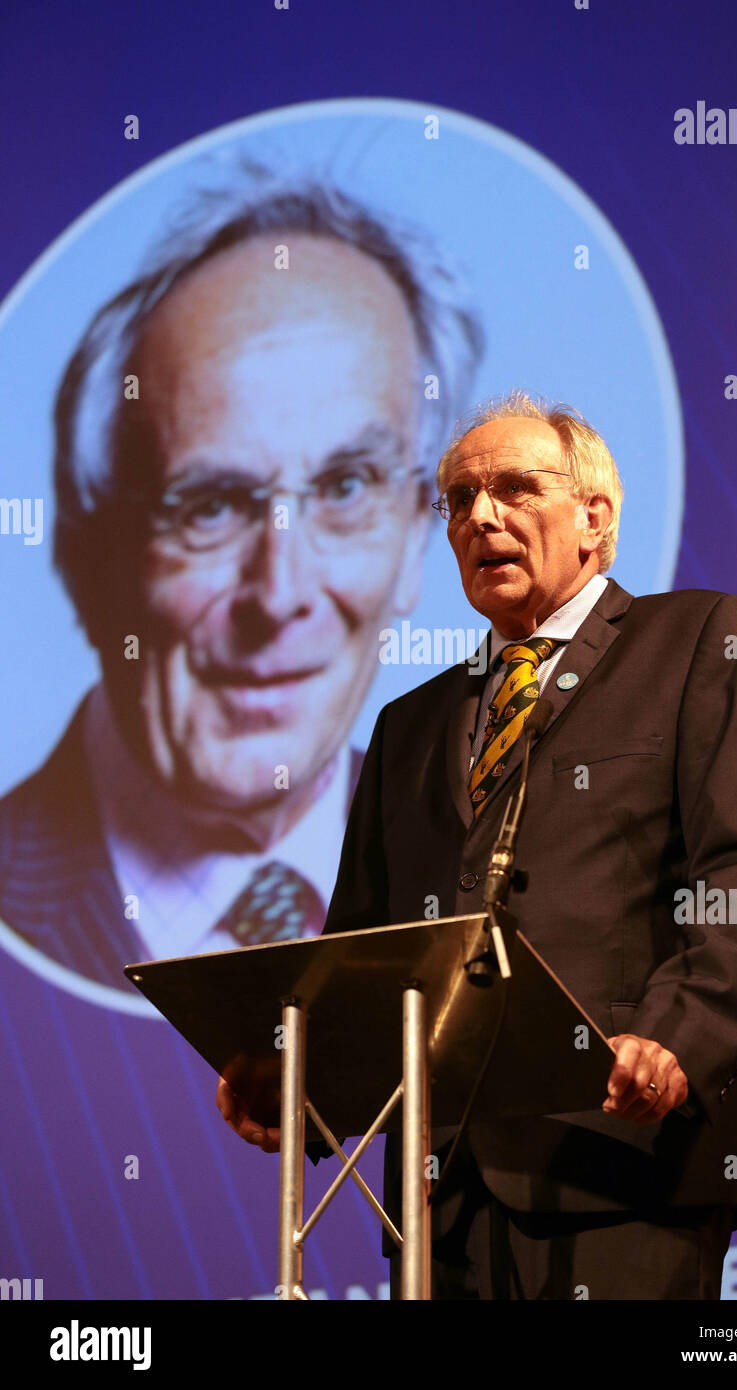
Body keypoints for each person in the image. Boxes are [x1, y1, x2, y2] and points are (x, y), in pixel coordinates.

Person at [219, 390, 737, 1300]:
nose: (481, 516)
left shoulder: (696, 641)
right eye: (458, 499)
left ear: (594, 517)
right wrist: (302, 1086)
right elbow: (365, 952)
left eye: (516, 488)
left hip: (623, 1152)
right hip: (444, 1195)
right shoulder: (407, 726)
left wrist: (675, 1041)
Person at [0, 177, 483, 991]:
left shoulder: (489, 891)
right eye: (212, 506)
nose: (280, 595)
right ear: (94, 559)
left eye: (346, 488)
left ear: (414, 542)